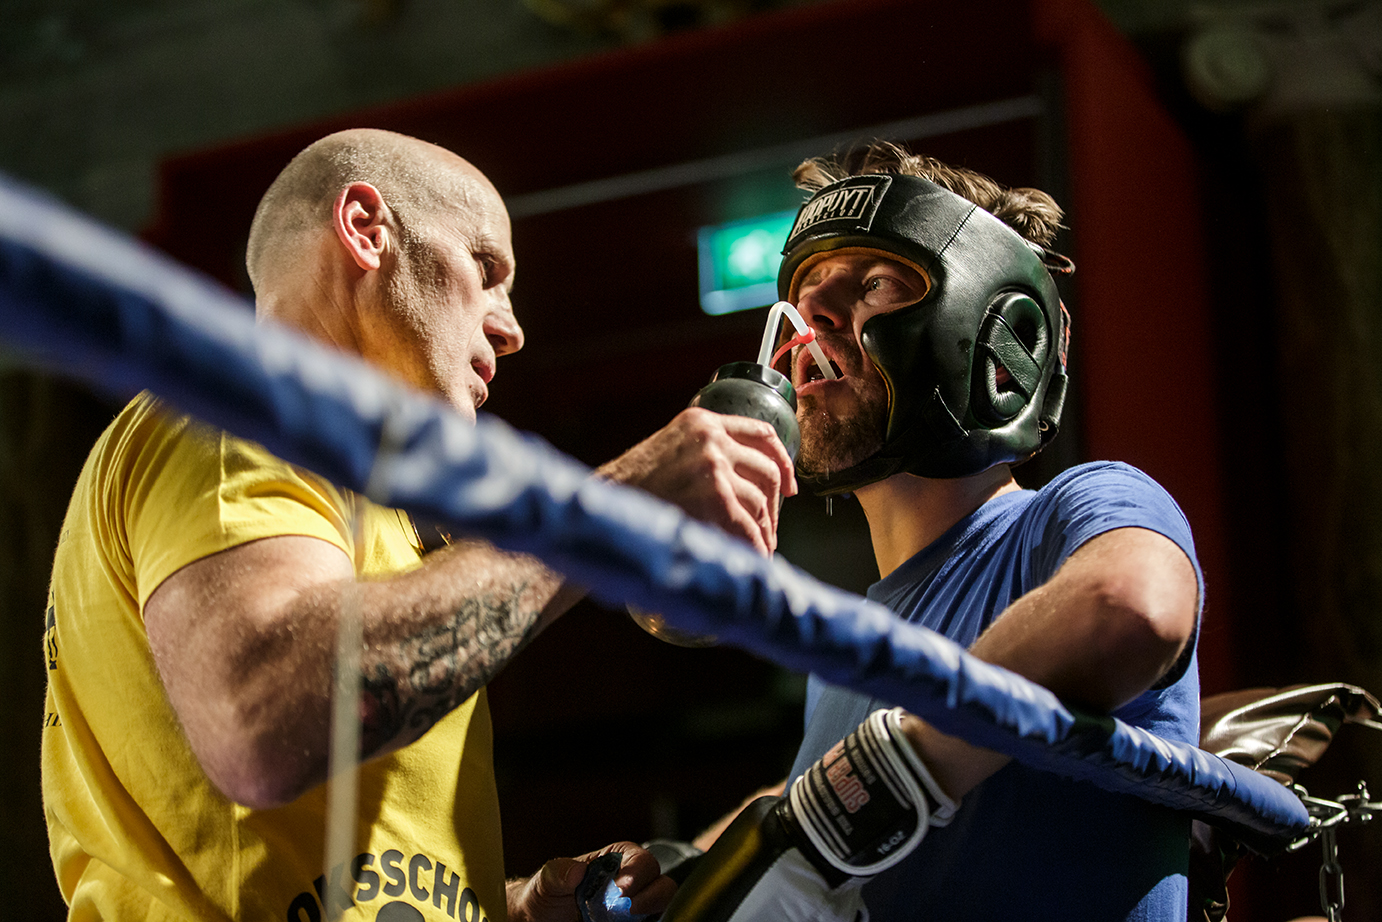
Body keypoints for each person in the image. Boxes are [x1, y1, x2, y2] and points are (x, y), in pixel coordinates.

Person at [40, 128, 797, 922]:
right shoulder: (235, 410)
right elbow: (259, 725)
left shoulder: (374, 532)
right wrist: (612, 509)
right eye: (487, 269)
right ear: (367, 229)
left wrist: (512, 906)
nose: (511, 328)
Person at [669, 141, 1201, 922]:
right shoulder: (849, 653)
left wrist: (881, 783)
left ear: (992, 330)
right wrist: (672, 870)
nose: (807, 317)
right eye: (805, 289)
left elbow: (1131, 608)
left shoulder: (1076, 512)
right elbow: (805, 799)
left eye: (876, 283)